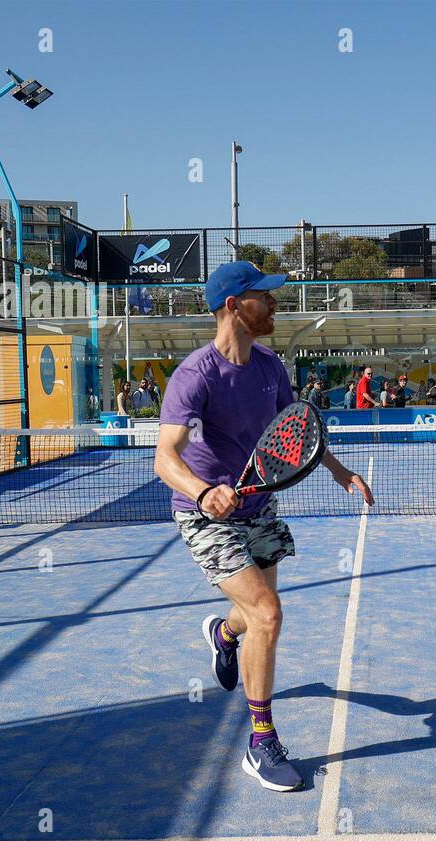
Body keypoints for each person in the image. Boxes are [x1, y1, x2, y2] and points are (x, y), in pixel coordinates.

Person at [154, 260, 372, 793]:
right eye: (264, 297)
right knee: (268, 613)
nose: (275, 304)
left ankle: (223, 634)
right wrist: (205, 491)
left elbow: (295, 429)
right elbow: (165, 457)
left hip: (257, 506)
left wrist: (340, 472)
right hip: (205, 514)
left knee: (252, 617)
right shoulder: (194, 375)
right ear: (234, 306)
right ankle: (260, 741)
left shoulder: (271, 367)